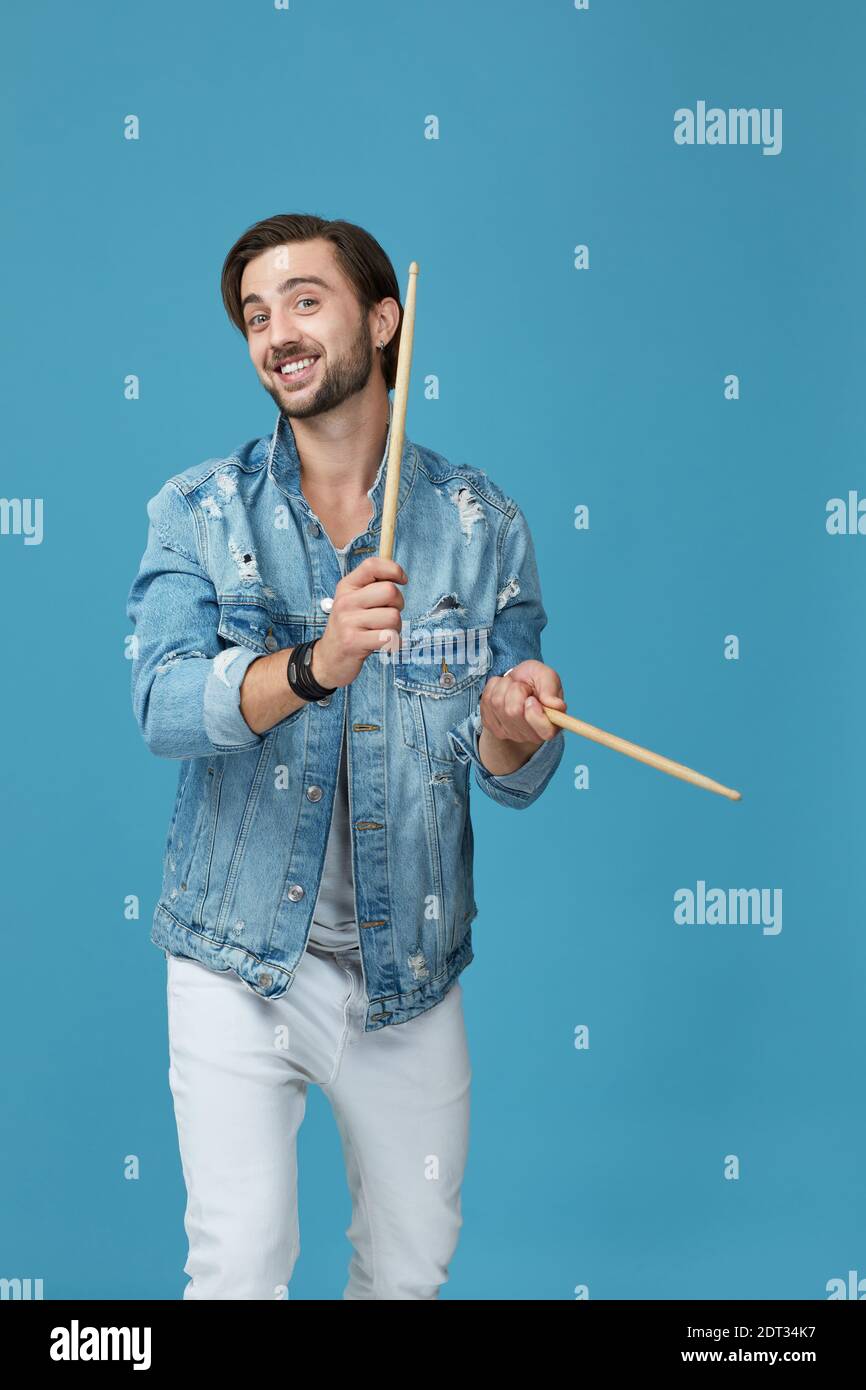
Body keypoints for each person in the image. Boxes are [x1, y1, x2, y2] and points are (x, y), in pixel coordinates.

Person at [126, 213, 568, 1300]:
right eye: (255, 314)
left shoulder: (478, 523)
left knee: (409, 1270)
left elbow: (504, 755)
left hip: (404, 974)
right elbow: (165, 703)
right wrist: (315, 661)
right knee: (238, 1263)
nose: (276, 330)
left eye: (304, 301)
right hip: (234, 958)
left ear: (383, 320)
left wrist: (514, 729)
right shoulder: (197, 508)